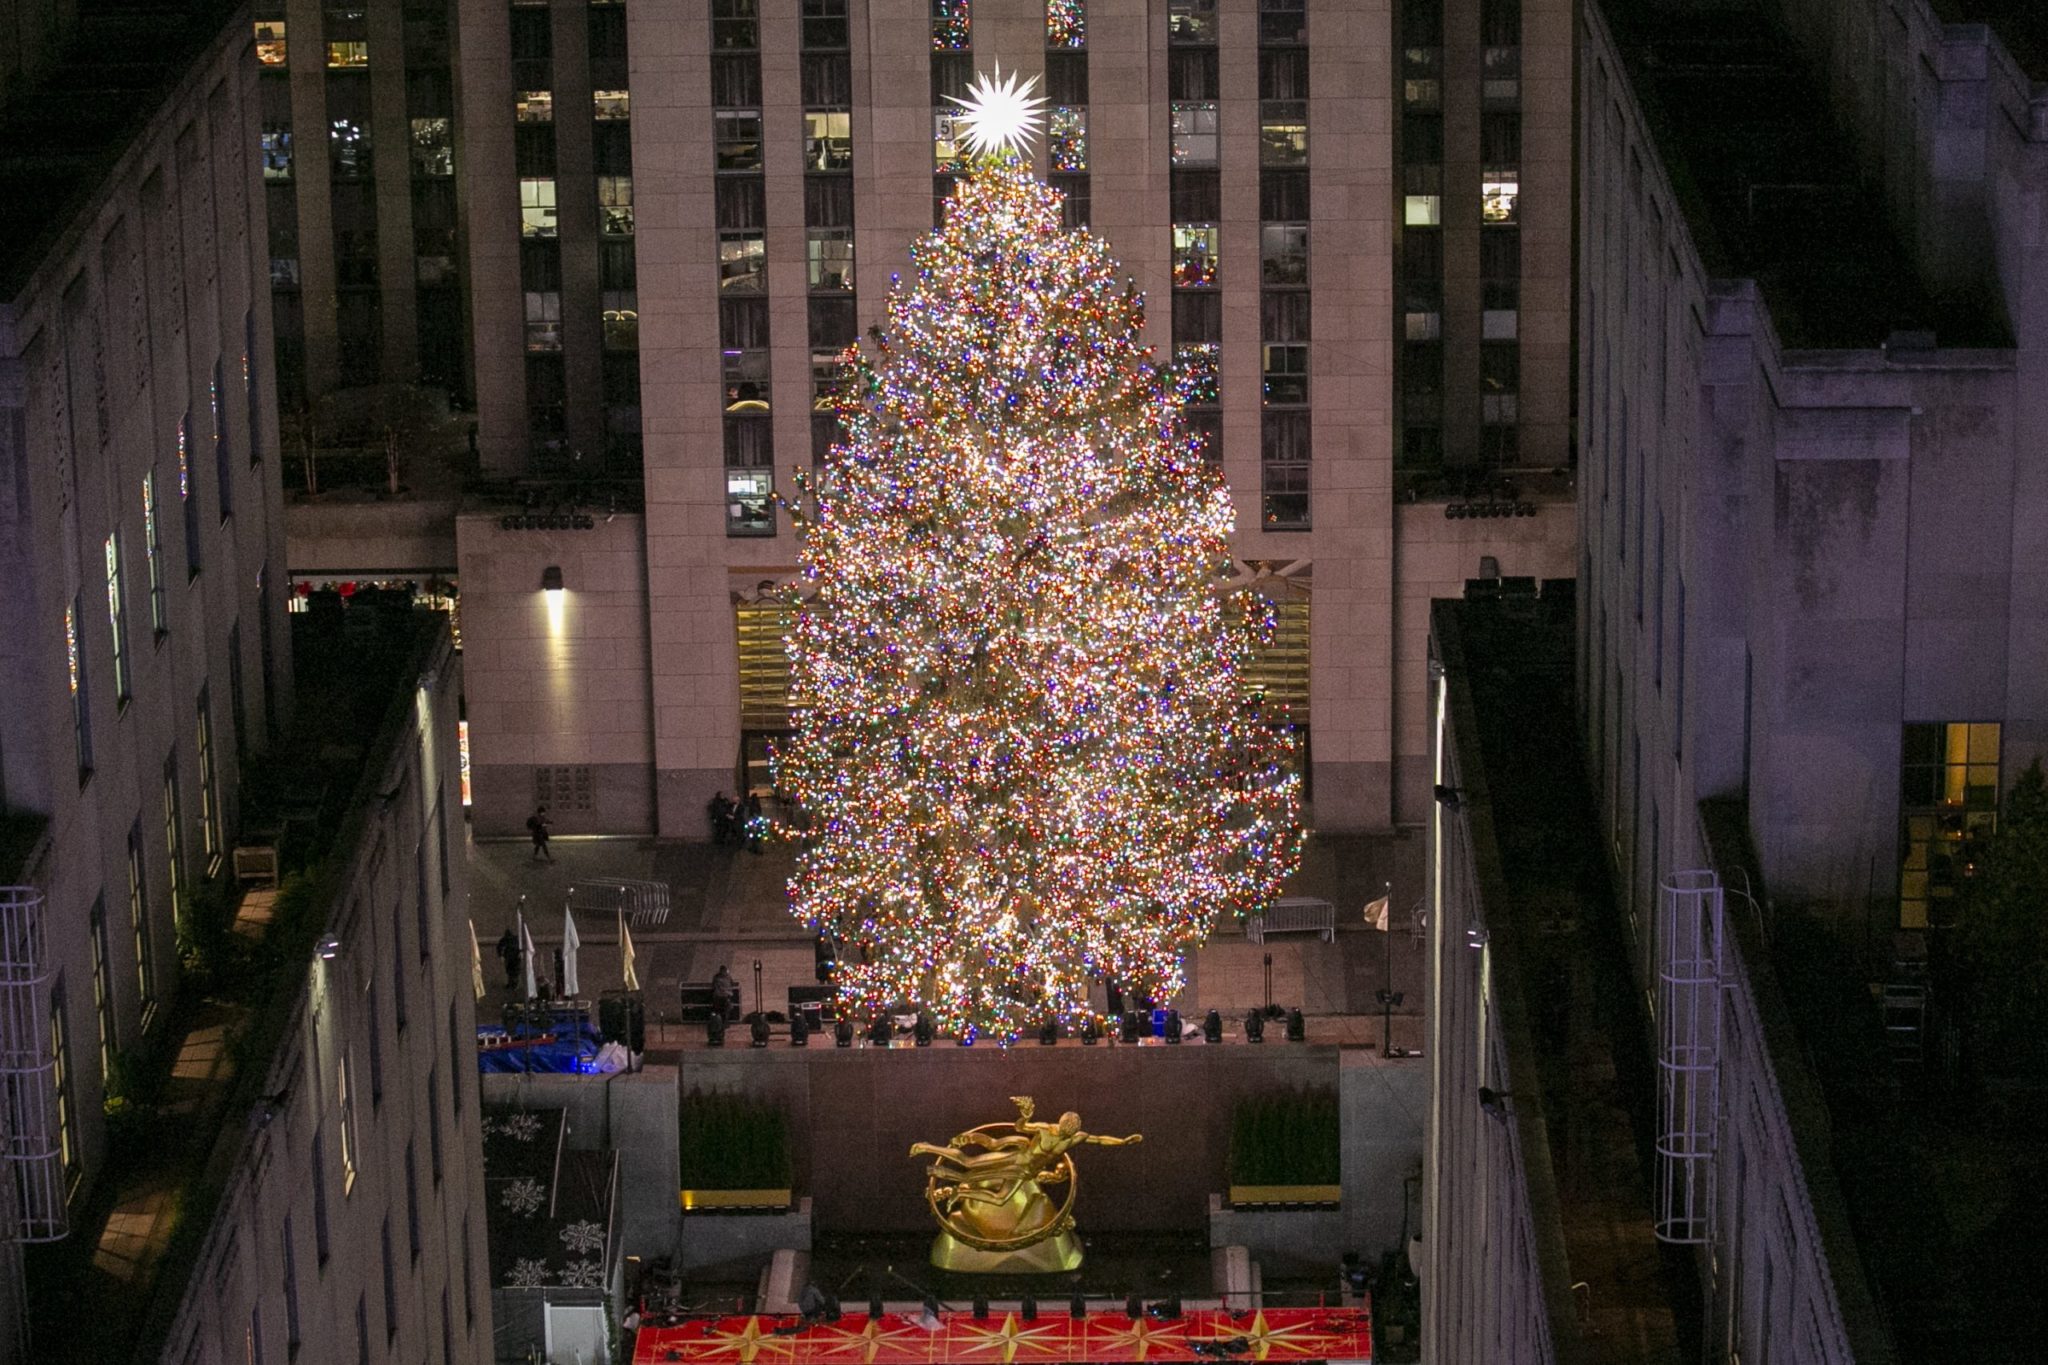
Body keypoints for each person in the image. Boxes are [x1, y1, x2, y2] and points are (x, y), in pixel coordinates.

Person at [495, 925, 522, 990]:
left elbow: (499, 947)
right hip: (510, 958)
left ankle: (514, 984)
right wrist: (501, 955)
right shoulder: (508, 939)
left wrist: (501, 955)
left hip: (514, 958)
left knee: (514, 972)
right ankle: (511, 984)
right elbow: (499, 947)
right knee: (511, 972)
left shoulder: (513, 939)